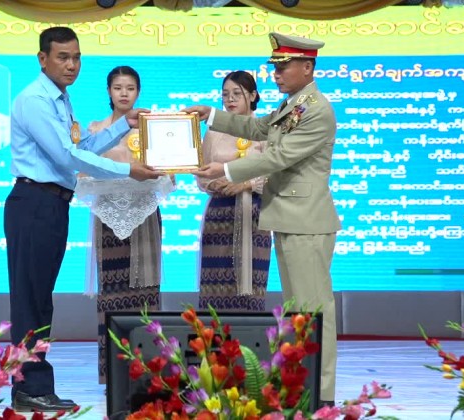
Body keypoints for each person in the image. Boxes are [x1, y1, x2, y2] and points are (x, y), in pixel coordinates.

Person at [4, 27, 163, 412]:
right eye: (62, 57)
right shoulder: (35, 100)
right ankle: (27, 387)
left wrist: (123, 125)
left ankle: (35, 385)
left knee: (40, 300)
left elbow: (81, 148)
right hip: (33, 203)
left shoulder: (61, 99)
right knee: (30, 300)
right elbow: (66, 158)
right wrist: (127, 172)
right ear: (43, 59)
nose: (71, 64)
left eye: (76, 57)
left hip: (52, 204)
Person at [186, 32, 340, 407]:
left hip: (306, 219)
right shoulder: (293, 105)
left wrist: (227, 167)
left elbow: (277, 157)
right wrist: (214, 115)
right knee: (298, 311)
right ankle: (301, 387)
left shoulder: (315, 108)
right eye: (275, 66)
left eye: (285, 66)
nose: (277, 73)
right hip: (290, 217)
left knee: (314, 310)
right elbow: (258, 129)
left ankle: (320, 395)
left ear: (307, 66)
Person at [85, 66, 162, 385]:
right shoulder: (94, 128)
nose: (124, 93)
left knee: (145, 291)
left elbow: (165, 166)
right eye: (118, 87)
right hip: (108, 216)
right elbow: (85, 167)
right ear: (108, 91)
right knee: (112, 292)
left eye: (130, 88)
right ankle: (112, 371)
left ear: (138, 91)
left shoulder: (152, 126)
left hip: (145, 215)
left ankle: (149, 370)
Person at [195, 70, 271, 312]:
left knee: (249, 286)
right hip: (219, 215)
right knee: (215, 286)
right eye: (225, 94)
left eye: (237, 94)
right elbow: (201, 172)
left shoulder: (264, 128)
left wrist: (245, 183)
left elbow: (275, 172)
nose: (230, 99)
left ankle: (249, 345)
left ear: (253, 95)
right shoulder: (215, 131)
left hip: (254, 214)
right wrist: (212, 183)